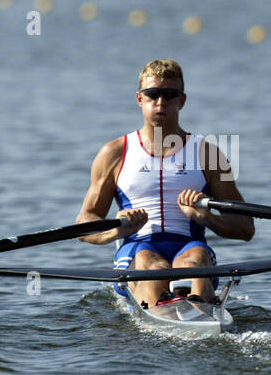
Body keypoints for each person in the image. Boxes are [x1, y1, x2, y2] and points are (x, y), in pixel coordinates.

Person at [76, 59, 254, 310]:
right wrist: (117, 229)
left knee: (194, 261)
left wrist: (207, 218)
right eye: (153, 95)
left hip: (191, 247)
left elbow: (246, 228)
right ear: (140, 99)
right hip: (137, 249)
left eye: (169, 95)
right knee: (152, 265)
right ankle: (171, 311)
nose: (160, 103)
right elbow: (84, 224)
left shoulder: (209, 155)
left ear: (182, 100)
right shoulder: (114, 154)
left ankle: (198, 313)